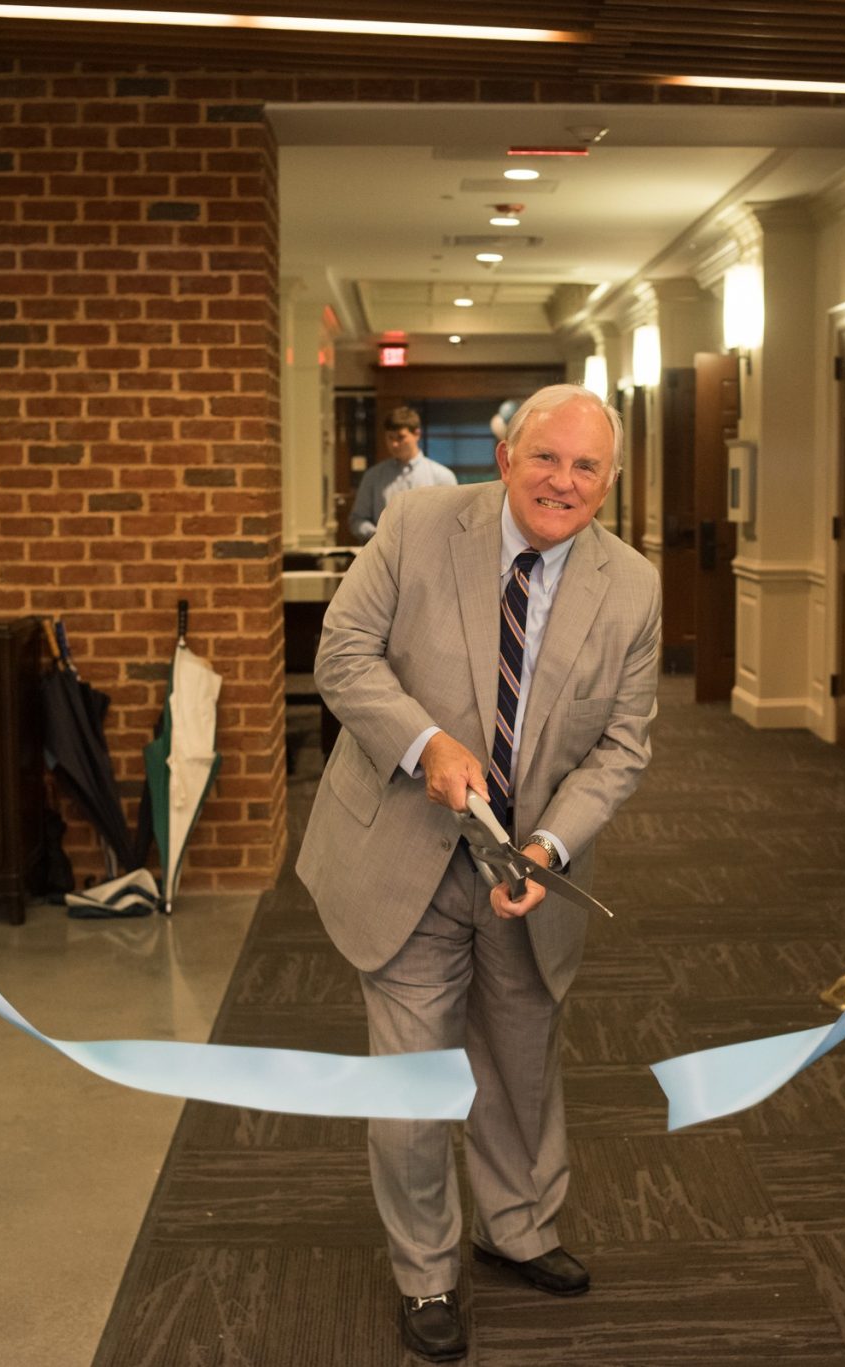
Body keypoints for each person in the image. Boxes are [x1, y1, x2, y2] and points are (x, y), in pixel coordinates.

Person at [296, 384, 660, 1360]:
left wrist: (548, 847)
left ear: (608, 483)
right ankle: (424, 1271)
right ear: (506, 456)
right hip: (402, 848)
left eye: (586, 467)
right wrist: (424, 744)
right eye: (546, 457)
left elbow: (621, 748)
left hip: (524, 868)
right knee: (415, 1079)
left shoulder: (629, 586)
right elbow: (341, 654)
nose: (562, 481)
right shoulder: (418, 523)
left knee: (518, 1056)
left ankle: (518, 1224)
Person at [350, 405, 457, 541]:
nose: (394, 444)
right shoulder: (373, 476)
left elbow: (451, 522)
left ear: (417, 434)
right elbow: (357, 519)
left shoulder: (442, 477)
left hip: (429, 554)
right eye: (390, 437)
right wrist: (377, 535)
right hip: (384, 553)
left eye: (400, 437)